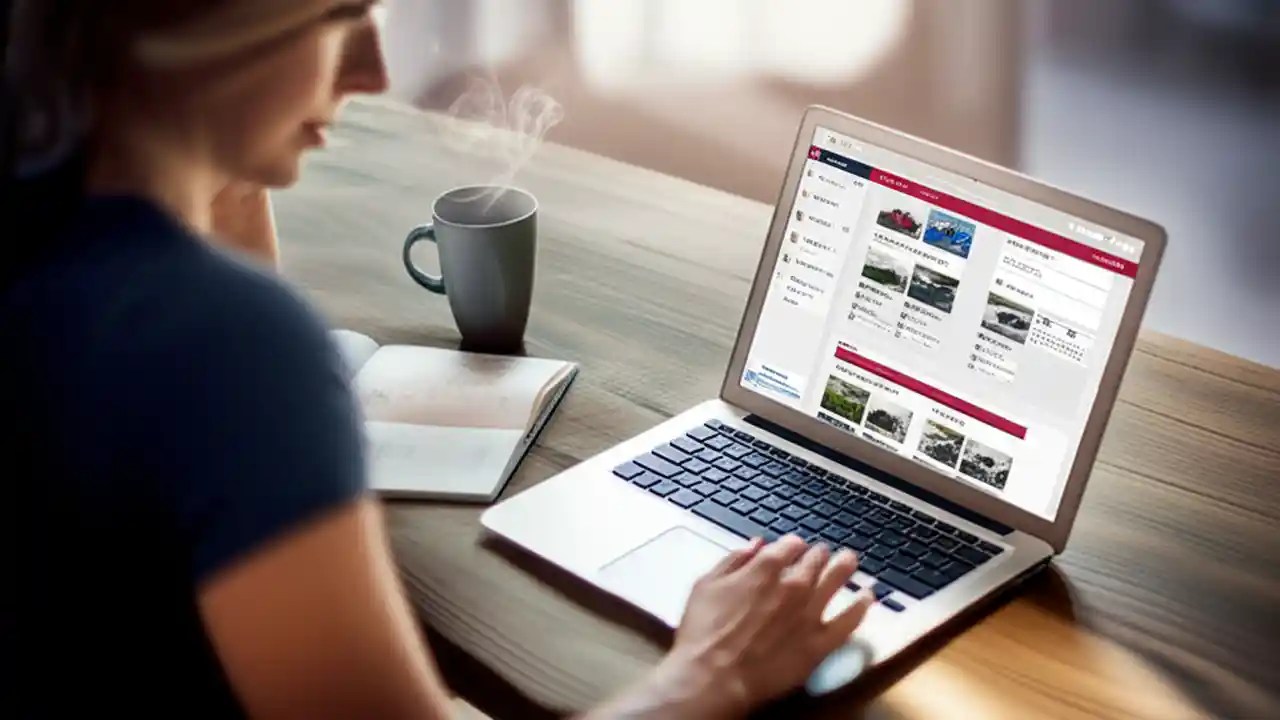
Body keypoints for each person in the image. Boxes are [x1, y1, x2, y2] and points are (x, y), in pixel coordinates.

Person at [0, 2, 873, 718]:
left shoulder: (52, 239)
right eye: (337, 19)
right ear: (195, 35)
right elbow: (227, 373)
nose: (374, 75)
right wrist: (713, 673)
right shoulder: (226, 345)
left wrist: (213, 164)